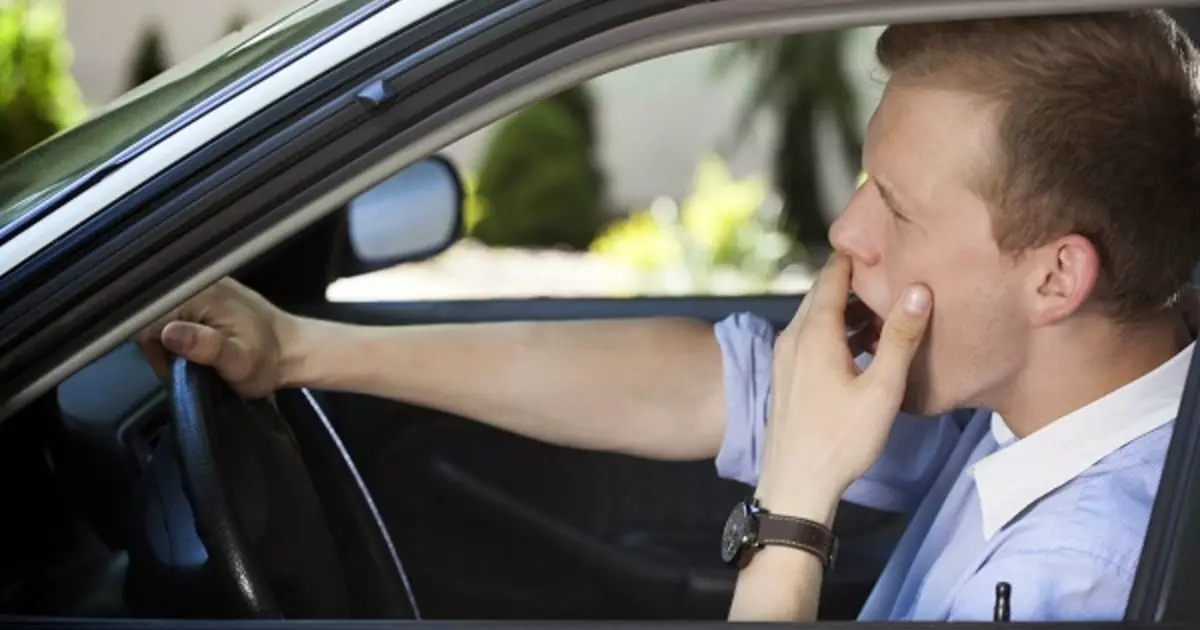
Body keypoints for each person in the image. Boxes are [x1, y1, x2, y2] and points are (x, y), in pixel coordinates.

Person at [137, 9, 1200, 623]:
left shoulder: (1086, 579)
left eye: (899, 209)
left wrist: (794, 509)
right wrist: (304, 350)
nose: (846, 231)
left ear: (1057, 279)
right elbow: (699, 384)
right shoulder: (1024, 397)